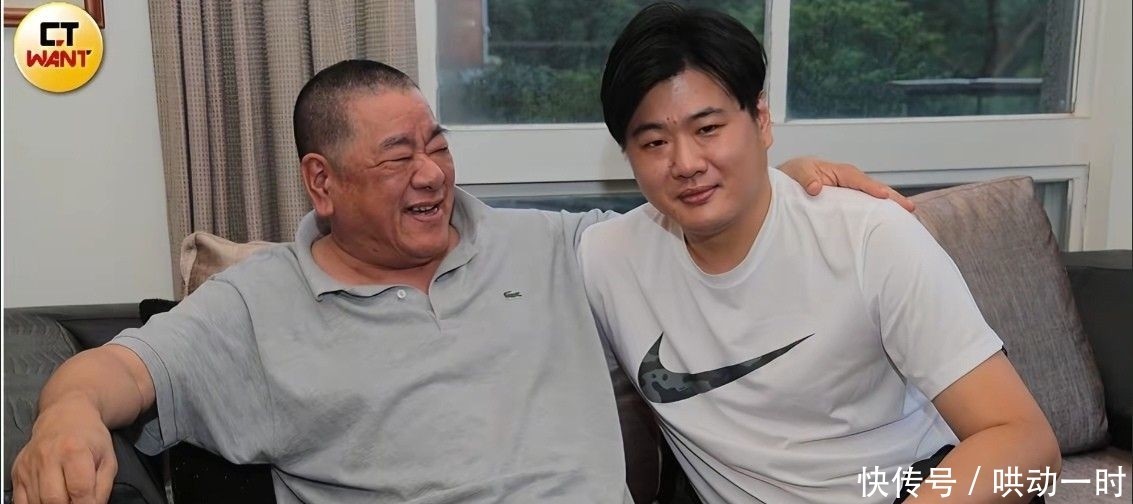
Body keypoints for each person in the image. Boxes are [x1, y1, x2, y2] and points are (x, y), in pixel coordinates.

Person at [10, 59, 904, 504]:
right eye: (397, 156)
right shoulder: (254, 304)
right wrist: (65, 416)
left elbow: (693, 224)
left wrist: (778, 184)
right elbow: (116, 370)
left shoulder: (554, 248)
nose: (432, 174)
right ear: (322, 182)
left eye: (436, 144)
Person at [580, 3, 1060, 504]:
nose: (686, 163)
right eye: (654, 142)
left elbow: (1024, 439)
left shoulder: (870, 237)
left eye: (708, 129)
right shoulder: (606, 258)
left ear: (761, 119)